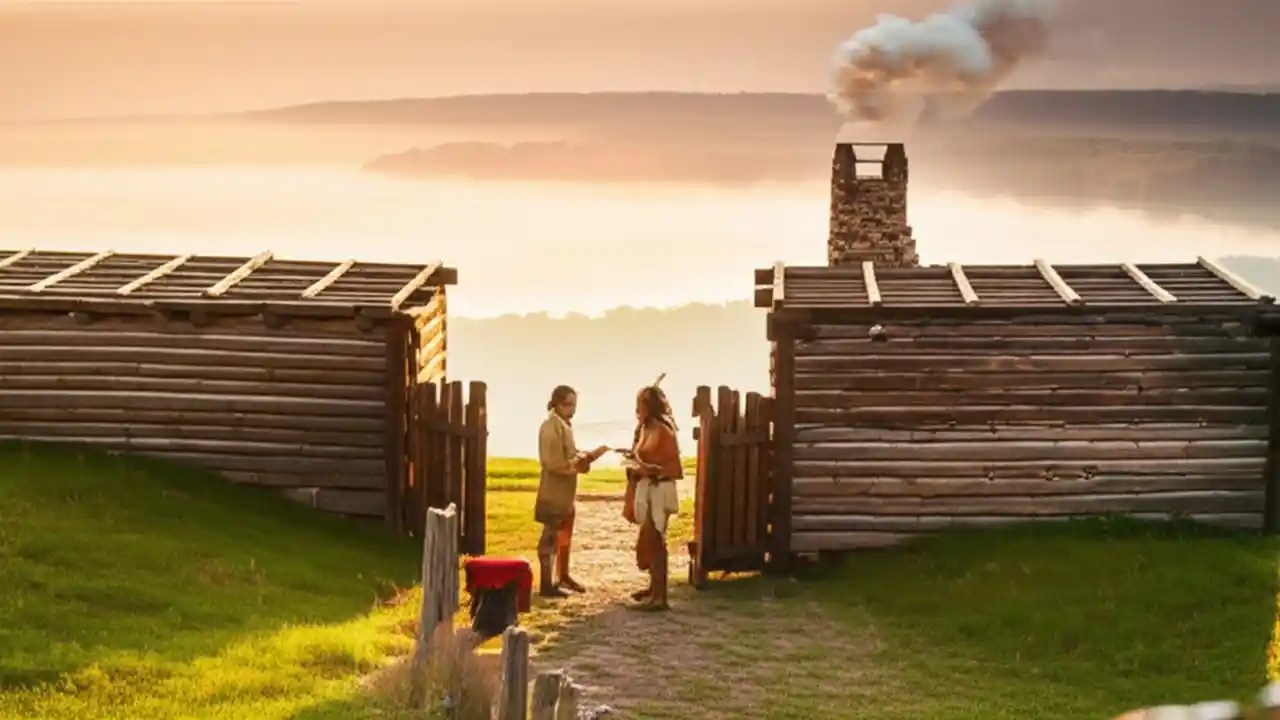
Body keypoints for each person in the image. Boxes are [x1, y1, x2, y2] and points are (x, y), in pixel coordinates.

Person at [536, 385, 608, 598]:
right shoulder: (551, 426)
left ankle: (563, 575)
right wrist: (582, 461)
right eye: (569, 404)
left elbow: (570, 454)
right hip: (553, 492)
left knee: (564, 536)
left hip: (566, 493)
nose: (573, 409)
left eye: (574, 405)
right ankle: (547, 583)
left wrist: (587, 457)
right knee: (550, 536)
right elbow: (552, 462)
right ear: (557, 404)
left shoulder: (563, 425)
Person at [626, 382, 683, 611]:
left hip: (659, 491)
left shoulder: (663, 429)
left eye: (640, 405)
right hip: (648, 489)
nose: (637, 409)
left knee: (657, 541)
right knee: (649, 539)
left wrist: (649, 470)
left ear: (649, 407)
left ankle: (660, 597)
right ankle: (653, 588)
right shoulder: (644, 429)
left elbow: (674, 468)